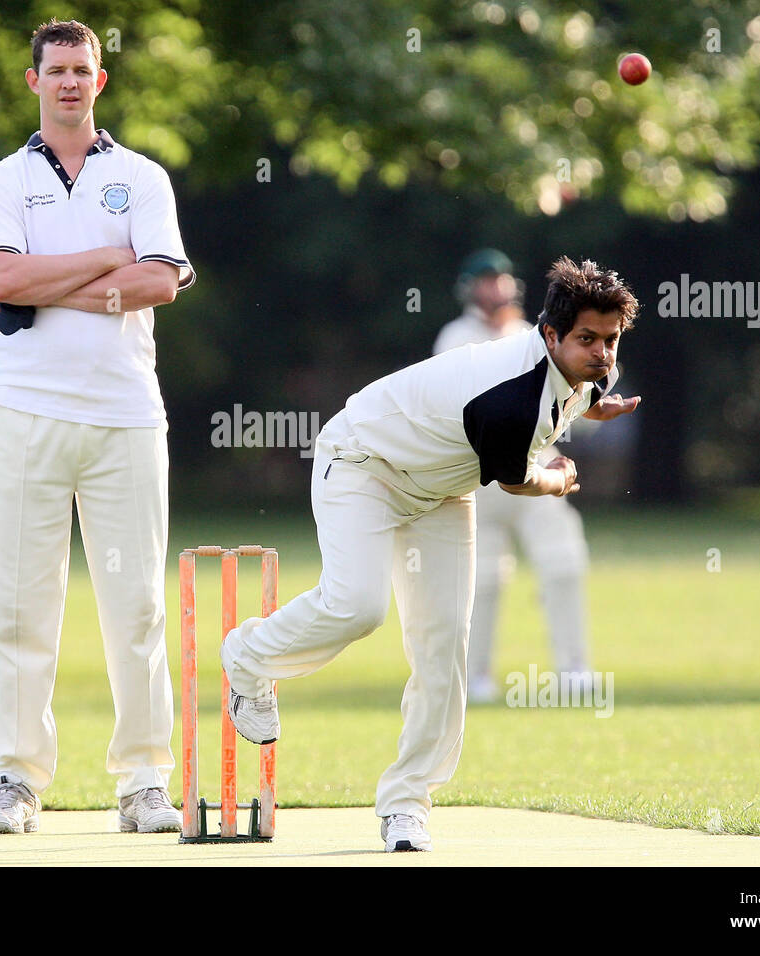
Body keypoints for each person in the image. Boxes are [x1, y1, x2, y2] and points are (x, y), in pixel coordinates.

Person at [221, 257, 640, 851]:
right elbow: (523, 480)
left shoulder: (565, 372)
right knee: (359, 607)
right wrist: (563, 478)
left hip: (439, 490)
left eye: (611, 341)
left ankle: (406, 804)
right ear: (550, 335)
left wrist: (589, 404)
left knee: (444, 648)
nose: (601, 355)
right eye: (586, 340)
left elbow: (567, 393)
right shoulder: (512, 397)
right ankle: (247, 657)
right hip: (363, 463)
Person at [0, 19, 195, 835]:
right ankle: (15, 781)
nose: (68, 82)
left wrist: (46, 281)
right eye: (55, 69)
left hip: (126, 415)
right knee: (20, 609)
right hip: (25, 413)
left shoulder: (142, 177)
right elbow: (1, 278)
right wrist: (107, 259)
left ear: (101, 81)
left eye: (82, 70)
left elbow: (162, 283)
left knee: (135, 607)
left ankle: (142, 782)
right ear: (32, 81)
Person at [434, 250, 594, 704]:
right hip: (481, 476)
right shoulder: (455, 337)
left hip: (537, 463)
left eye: (501, 279)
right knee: (482, 579)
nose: (495, 289)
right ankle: (475, 675)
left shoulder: (530, 333)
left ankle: (574, 670)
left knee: (562, 562)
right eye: (486, 281)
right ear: (470, 289)